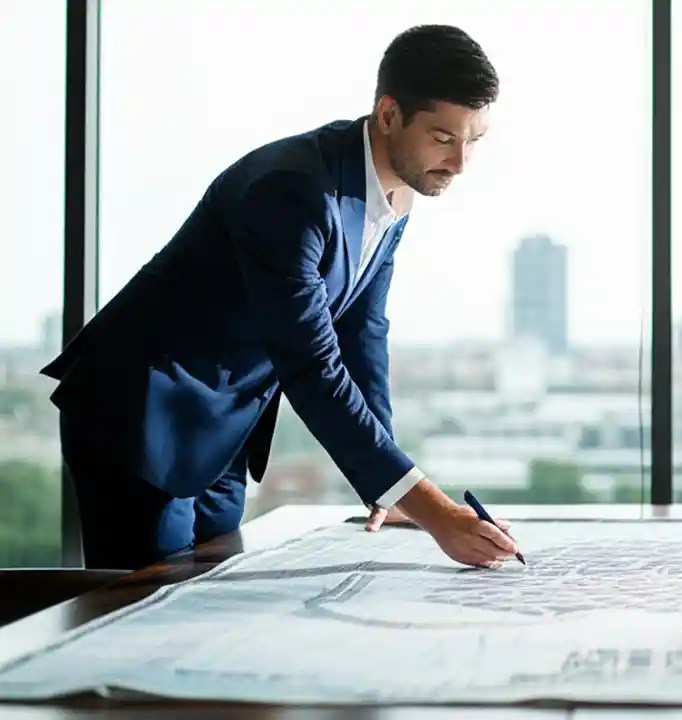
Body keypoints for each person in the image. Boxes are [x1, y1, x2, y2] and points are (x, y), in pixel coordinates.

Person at [41, 25, 520, 571]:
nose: (461, 163)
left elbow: (362, 336)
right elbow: (313, 365)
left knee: (204, 607)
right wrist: (433, 509)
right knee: (142, 616)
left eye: (473, 140)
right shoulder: (293, 191)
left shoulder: (395, 194)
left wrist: (389, 486)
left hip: (222, 430)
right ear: (389, 115)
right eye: (443, 138)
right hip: (144, 416)